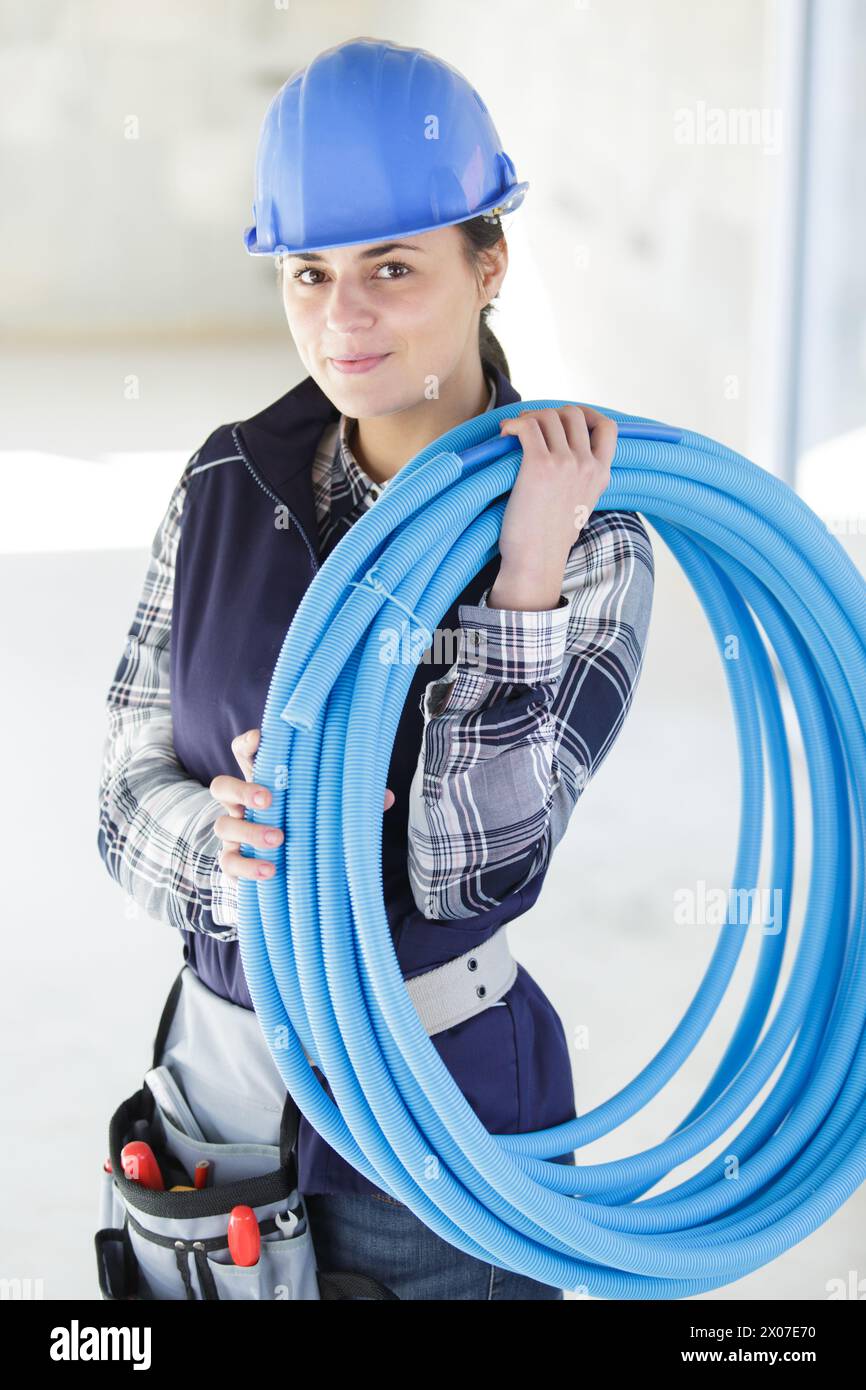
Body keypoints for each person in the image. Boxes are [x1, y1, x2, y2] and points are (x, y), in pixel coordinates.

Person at [97, 37, 655, 1300]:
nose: (342, 318)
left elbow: (476, 871)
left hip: (440, 1114)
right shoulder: (224, 482)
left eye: (393, 268)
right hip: (225, 1099)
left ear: (488, 262)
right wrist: (227, 848)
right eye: (310, 273)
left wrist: (521, 579)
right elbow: (120, 787)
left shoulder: (596, 531)